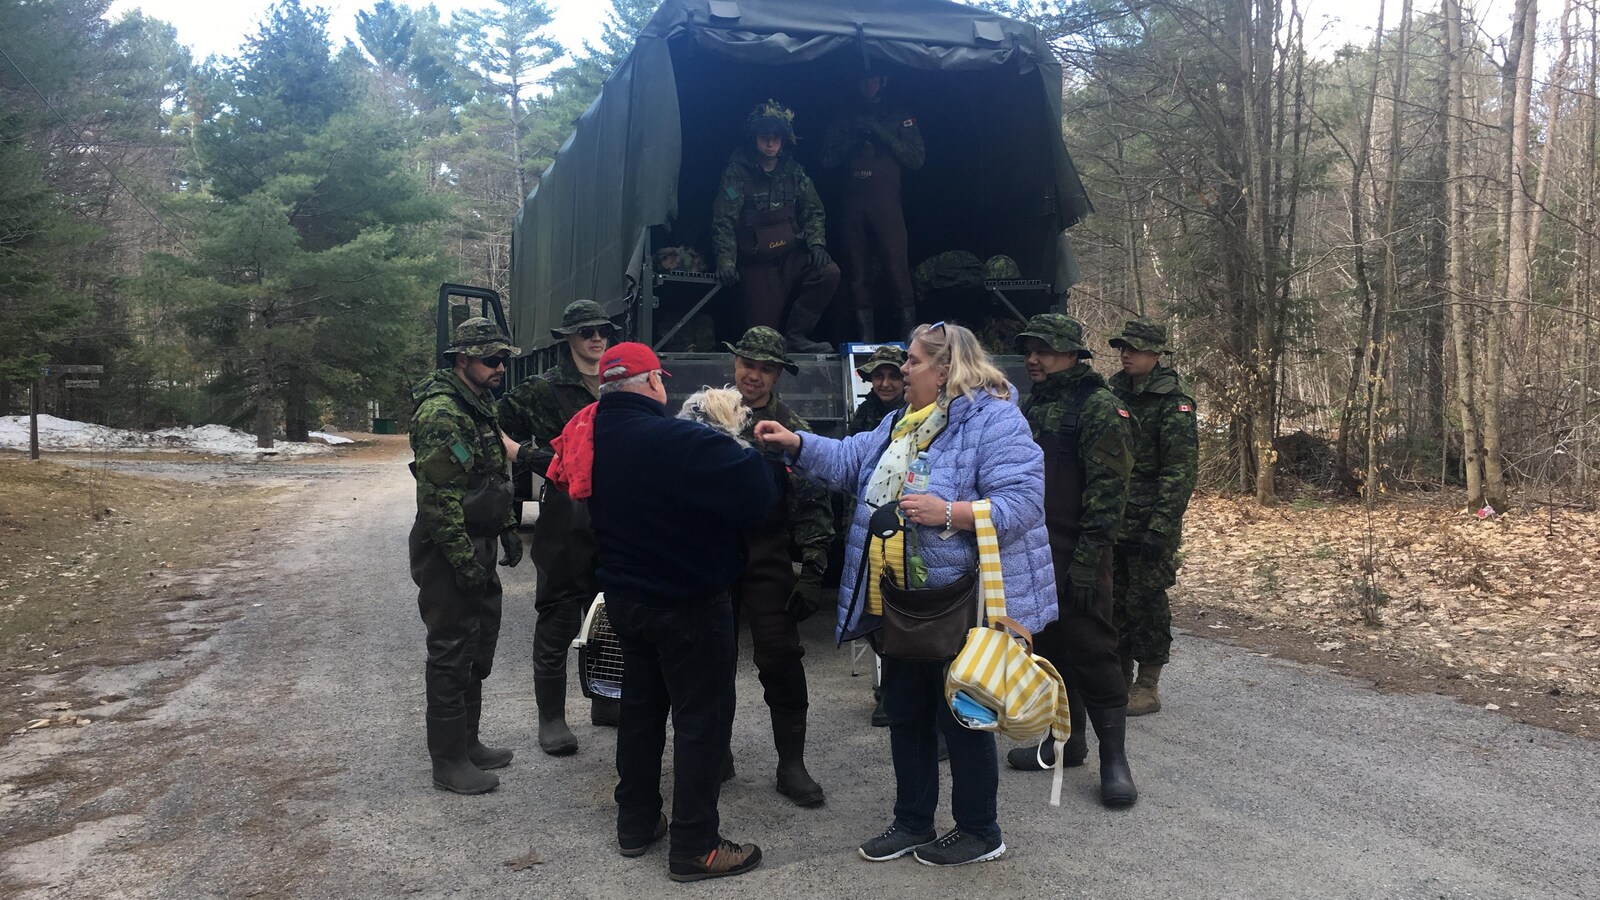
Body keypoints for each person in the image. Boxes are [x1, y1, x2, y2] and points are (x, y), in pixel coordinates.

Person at [754, 321, 1055, 867]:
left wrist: (952, 513)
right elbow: (850, 461)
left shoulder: (996, 420)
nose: (904, 369)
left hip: (961, 601)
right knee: (905, 712)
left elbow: (1024, 503)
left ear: (946, 370)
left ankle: (981, 831)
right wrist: (795, 444)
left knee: (961, 717)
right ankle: (913, 822)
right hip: (901, 600)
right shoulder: (901, 422)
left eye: (914, 361)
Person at [584, 342, 778, 882]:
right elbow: (759, 495)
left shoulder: (593, 434)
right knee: (702, 721)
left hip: (626, 600)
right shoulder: (679, 440)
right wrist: (740, 445)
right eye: (660, 380)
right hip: (688, 601)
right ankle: (696, 847)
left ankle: (637, 823)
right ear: (651, 384)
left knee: (641, 712)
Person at [1003, 313, 1139, 809]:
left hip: (1080, 553)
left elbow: (1109, 494)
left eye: (1044, 350)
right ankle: (1066, 742)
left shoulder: (1100, 408)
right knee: (1051, 649)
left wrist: (1086, 562)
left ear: (1072, 355)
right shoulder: (1029, 406)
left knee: (1093, 650)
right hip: (1036, 553)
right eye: (1029, 350)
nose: (1033, 359)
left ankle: (1115, 761)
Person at [408, 317, 524, 795]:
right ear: (462, 360)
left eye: (503, 359)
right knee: (452, 648)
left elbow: (490, 474)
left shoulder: (478, 404)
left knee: (478, 644)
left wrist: (508, 529)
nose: (500, 367)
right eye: (491, 359)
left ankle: (468, 742)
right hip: (450, 544)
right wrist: (462, 562)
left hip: (478, 538)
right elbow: (437, 500)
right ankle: (449, 759)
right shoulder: (442, 413)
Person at [498, 299, 617, 755]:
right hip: (565, 515)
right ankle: (551, 719)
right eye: (586, 331)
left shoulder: (619, 384)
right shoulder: (542, 389)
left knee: (610, 614)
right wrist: (527, 457)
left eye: (602, 329)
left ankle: (606, 701)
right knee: (559, 616)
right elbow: (494, 428)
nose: (596, 337)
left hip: (615, 514)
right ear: (567, 338)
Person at [723, 326, 834, 807]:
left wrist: (813, 567)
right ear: (735, 364)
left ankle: (792, 764)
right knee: (708, 660)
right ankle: (712, 753)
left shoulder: (791, 423)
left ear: (778, 374)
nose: (754, 375)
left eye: (766, 368)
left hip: (766, 554)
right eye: (748, 364)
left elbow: (812, 502)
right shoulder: (705, 415)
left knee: (782, 658)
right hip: (710, 557)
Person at [1107, 317, 1198, 715]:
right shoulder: (1114, 390)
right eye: (1123, 347)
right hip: (1115, 514)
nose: (1126, 354)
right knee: (1113, 600)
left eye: (1135, 348)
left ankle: (1148, 685)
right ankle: (1119, 678)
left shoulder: (1173, 399)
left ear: (1156, 354)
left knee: (1146, 601)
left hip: (1151, 519)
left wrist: (1161, 526)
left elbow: (1180, 471)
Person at [712, 99, 841, 353]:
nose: (770, 143)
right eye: (764, 137)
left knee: (828, 272)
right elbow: (723, 220)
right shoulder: (737, 173)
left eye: (775, 137)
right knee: (763, 341)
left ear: (783, 141)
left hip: (790, 255)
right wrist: (726, 261)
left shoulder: (794, 172)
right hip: (757, 264)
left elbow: (814, 209)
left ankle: (796, 335)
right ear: (755, 139)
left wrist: (816, 243)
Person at [822, 68, 925, 342]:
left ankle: (908, 340)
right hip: (853, 207)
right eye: (863, 79)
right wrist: (852, 137)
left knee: (897, 270)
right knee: (856, 272)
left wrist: (881, 132)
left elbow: (916, 158)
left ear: (884, 81)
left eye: (873, 79)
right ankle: (864, 340)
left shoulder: (899, 115)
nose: (868, 85)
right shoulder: (843, 116)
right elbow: (827, 161)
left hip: (887, 206)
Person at [846, 344, 908, 728]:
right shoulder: (865, 415)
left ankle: (899, 690)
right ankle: (886, 689)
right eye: (877, 376)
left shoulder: (919, 414)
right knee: (873, 610)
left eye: (892, 375)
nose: (884, 383)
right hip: (870, 524)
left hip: (909, 524)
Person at [848, 345, 908, 435]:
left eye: (894, 377)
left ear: (905, 380)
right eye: (878, 376)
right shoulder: (863, 412)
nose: (885, 384)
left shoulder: (913, 412)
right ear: (871, 378)